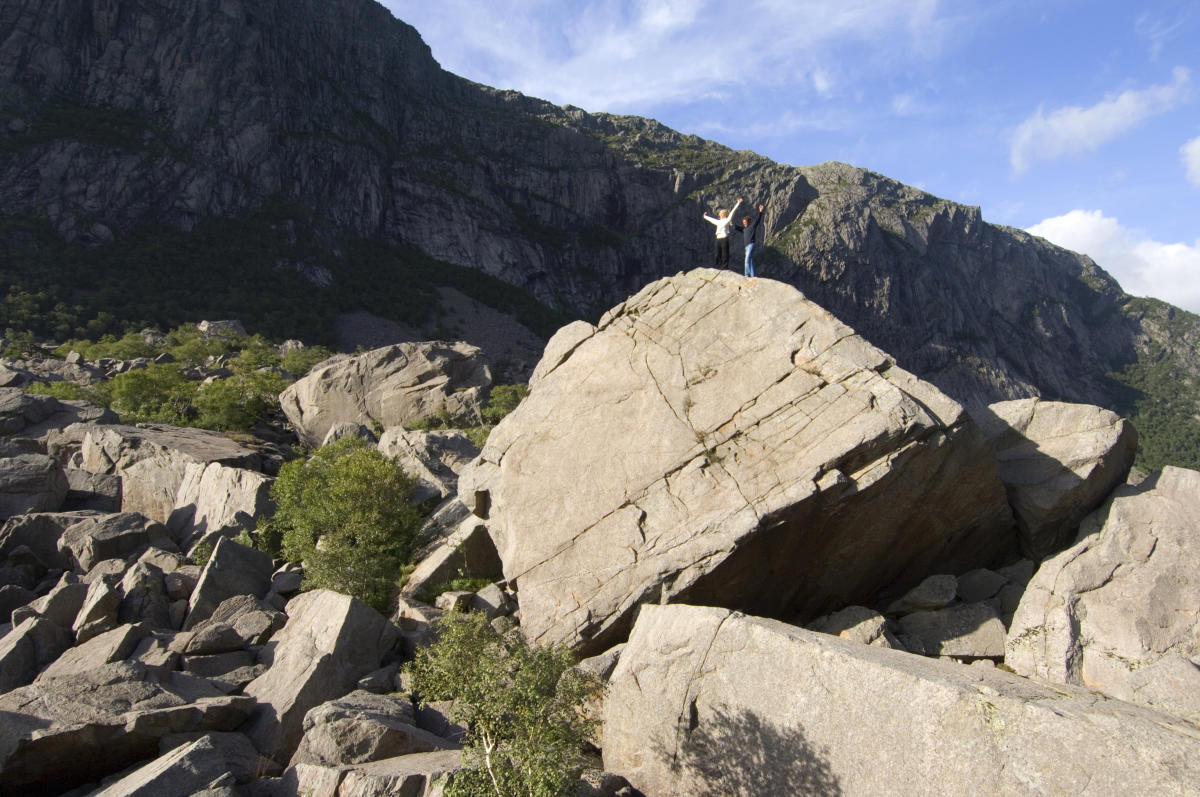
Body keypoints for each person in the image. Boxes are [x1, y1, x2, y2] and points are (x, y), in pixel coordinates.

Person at [703, 197, 742, 268]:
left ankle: (725, 266)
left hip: (724, 238)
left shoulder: (727, 220)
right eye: (720, 213)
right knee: (718, 253)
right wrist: (705, 216)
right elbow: (711, 220)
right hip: (718, 238)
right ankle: (719, 265)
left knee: (725, 253)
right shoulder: (718, 221)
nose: (720, 214)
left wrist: (738, 203)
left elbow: (733, 212)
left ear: (724, 214)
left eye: (722, 213)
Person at [734, 203, 766, 278]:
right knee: (751, 261)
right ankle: (753, 275)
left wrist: (760, 212)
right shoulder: (744, 229)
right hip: (746, 246)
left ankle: (747, 275)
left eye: (745, 222)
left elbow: (758, 220)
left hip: (751, 244)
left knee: (747, 259)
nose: (744, 223)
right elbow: (738, 228)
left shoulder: (752, 226)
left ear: (748, 222)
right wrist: (732, 224)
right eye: (743, 222)